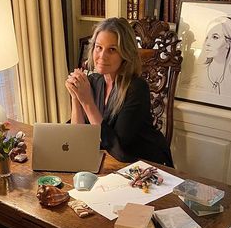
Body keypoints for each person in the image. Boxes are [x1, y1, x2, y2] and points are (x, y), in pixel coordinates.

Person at [65, 17, 173, 167]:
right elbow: (79, 139)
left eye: (112, 49)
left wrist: (87, 101)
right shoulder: (93, 82)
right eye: (99, 47)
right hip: (112, 164)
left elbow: (119, 150)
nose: (102, 56)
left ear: (125, 53)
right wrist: (76, 97)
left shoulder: (137, 88)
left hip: (147, 165)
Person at [200, 16, 231, 95]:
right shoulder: (198, 73)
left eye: (215, 37)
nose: (207, 43)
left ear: (229, 43)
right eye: (207, 38)